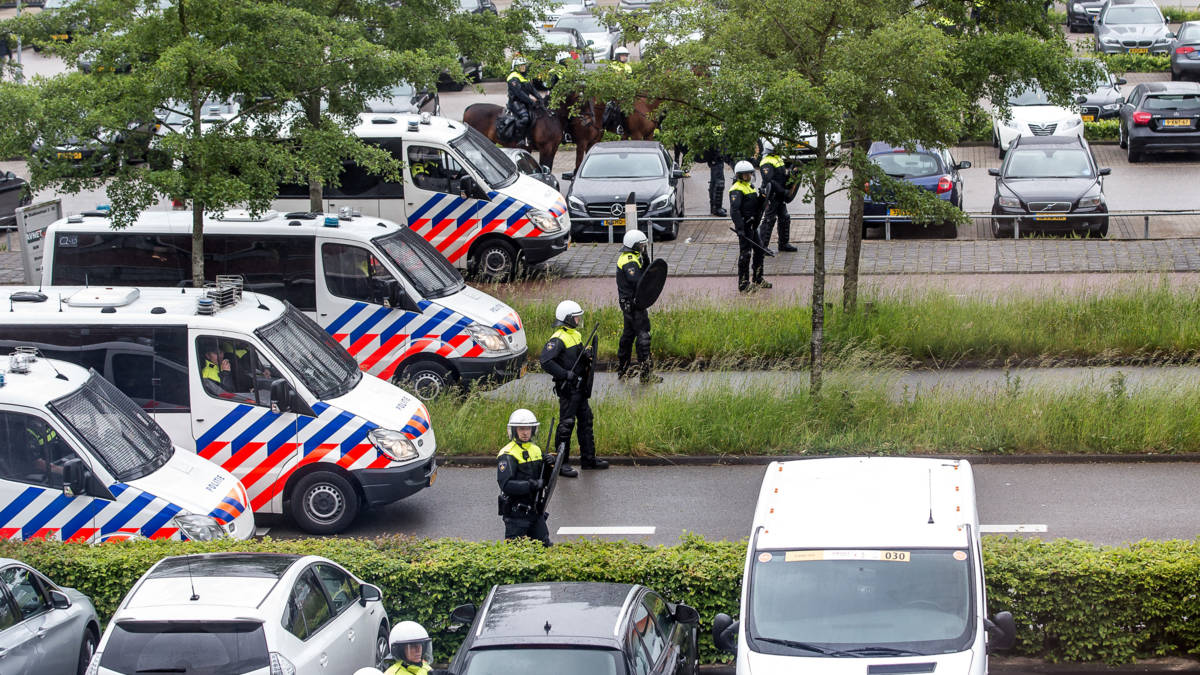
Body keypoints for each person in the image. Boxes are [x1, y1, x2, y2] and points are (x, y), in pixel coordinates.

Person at [540, 300, 608, 473]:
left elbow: (576, 357)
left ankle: (588, 460)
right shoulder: (558, 338)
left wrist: (586, 355)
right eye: (576, 317)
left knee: (586, 421)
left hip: (580, 388)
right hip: (568, 390)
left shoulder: (575, 334)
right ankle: (561, 464)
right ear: (567, 319)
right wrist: (564, 374)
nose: (579, 320)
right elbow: (546, 361)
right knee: (566, 425)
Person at [497, 408, 553, 545]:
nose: (525, 432)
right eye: (521, 429)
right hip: (516, 514)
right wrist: (532, 485)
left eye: (528, 428)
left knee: (544, 546)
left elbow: (544, 481)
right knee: (515, 553)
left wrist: (550, 466)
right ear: (514, 430)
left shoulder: (536, 449)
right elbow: (506, 485)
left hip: (535, 510)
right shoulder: (507, 454)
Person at [615, 229, 660, 383]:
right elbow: (638, 281)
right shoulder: (629, 261)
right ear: (633, 246)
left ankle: (623, 370)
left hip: (629, 305)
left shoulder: (633, 257)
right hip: (634, 306)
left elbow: (645, 272)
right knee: (643, 337)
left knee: (628, 336)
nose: (643, 248)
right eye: (641, 246)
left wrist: (646, 258)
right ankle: (646, 375)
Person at [730, 160, 771, 292]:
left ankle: (758, 278)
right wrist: (740, 229)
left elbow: (754, 205)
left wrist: (762, 197)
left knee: (759, 251)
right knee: (745, 254)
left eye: (749, 174)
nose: (748, 176)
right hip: (745, 227)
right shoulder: (736, 189)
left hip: (753, 226)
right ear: (739, 175)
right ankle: (743, 284)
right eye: (745, 175)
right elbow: (734, 211)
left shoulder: (750, 186)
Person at [758, 140, 796, 252]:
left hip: (779, 195)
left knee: (784, 218)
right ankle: (762, 246)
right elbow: (769, 181)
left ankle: (783, 244)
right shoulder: (766, 161)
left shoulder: (777, 158)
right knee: (769, 219)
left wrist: (791, 174)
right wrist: (783, 191)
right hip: (772, 195)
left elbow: (782, 176)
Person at [506, 56, 542, 145]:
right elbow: (519, 93)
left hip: (525, 102)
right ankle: (520, 139)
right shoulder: (513, 77)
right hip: (516, 102)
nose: (523, 67)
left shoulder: (524, 76)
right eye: (520, 66)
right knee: (525, 118)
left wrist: (540, 98)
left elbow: (532, 89)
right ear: (516, 67)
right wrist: (531, 101)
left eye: (524, 65)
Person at [603, 46, 632, 134]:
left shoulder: (628, 67)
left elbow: (630, 80)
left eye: (626, 55)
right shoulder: (612, 66)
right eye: (623, 55)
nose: (625, 57)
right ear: (617, 56)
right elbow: (609, 80)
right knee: (615, 109)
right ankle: (617, 126)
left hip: (627, 92)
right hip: (615, 93)